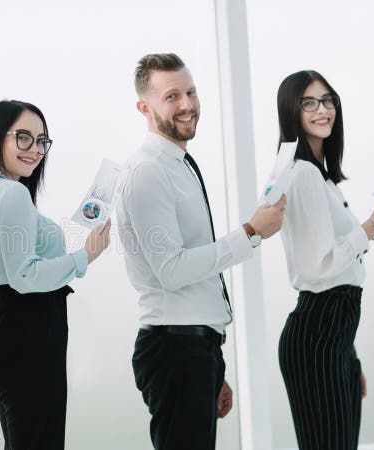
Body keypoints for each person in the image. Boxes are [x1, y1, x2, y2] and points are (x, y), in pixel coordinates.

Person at [117, 53, 285, 450]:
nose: (188, 104)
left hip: (194, 348)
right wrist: (249, 232)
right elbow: (171, 270)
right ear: (144, 107)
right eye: (172, 95)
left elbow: (192, 270)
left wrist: (213, 365)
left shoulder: (179, 163)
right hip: (176, 351)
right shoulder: (148, 172)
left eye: (191, 92)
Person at [0, 100, 111, 450]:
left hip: (3, 335)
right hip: (26, 339)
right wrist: (84, 255)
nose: (35, 150)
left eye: (42, 140)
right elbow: (24, 277)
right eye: (23, 138)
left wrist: (1, 319)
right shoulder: (11, 193)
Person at [275, 70, 374, 450]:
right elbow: (319, 267)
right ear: (291, 112)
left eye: (327, 100)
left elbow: (336, 274)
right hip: (317, 334)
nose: (322, 109)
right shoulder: (303, 175)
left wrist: (350, 354)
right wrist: (372, 226)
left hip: (333, 335)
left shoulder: (322, 177)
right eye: (308, 102)